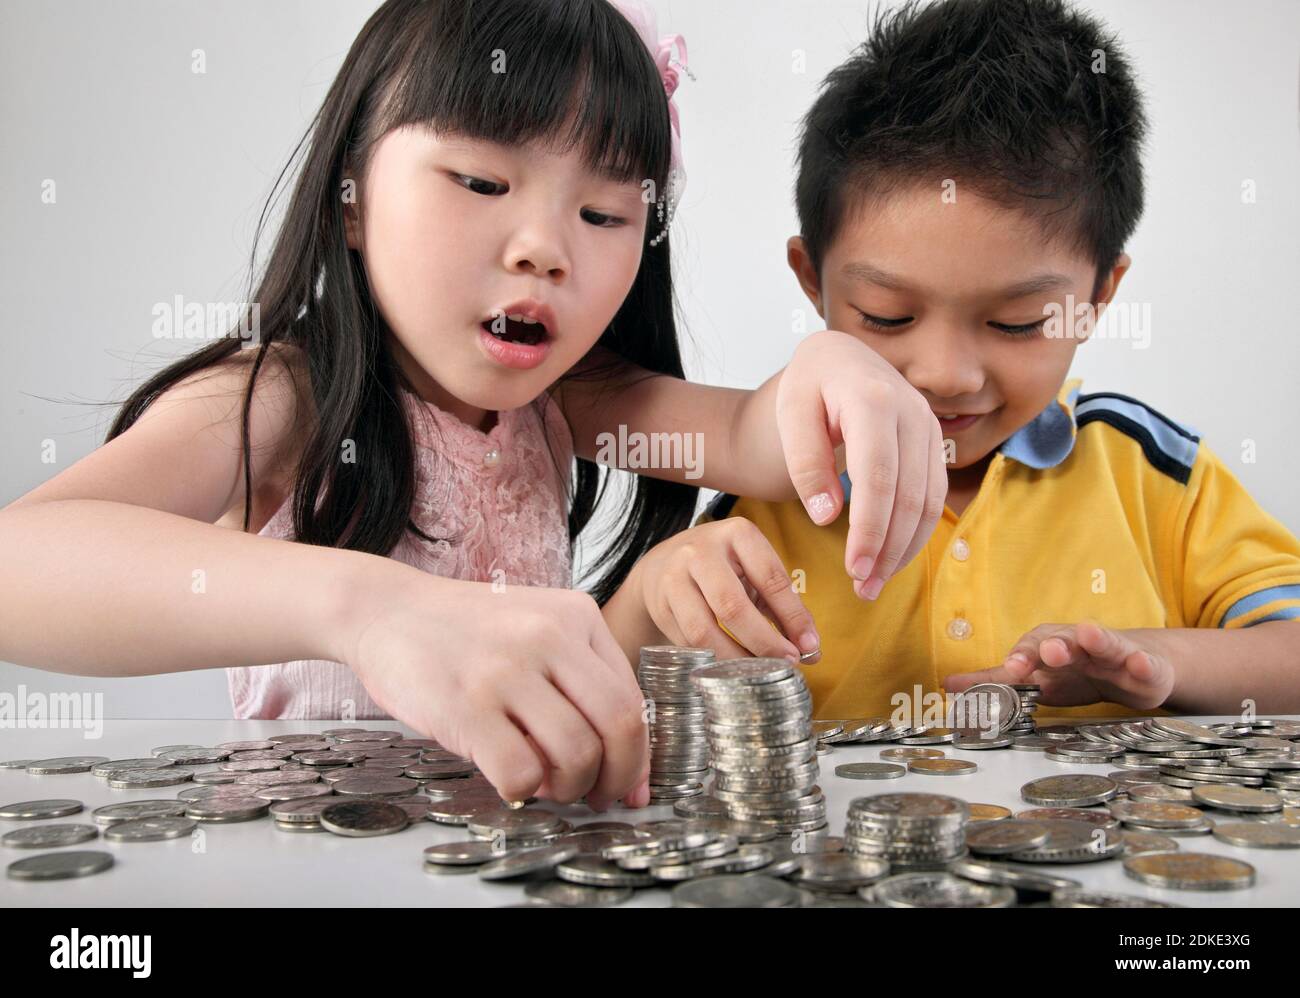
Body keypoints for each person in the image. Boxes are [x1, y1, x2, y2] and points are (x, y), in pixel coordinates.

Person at [0, 0, 944, 809]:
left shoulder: (566, 404)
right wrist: (373, 614)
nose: (545, 247)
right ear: (352, 198)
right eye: (483, 182)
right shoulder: (289, 400)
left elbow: (754, 436)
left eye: (605, 215)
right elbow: (20, 566)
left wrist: (838, 365)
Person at [681, 0, 1300, 723]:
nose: (946, 374)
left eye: (1016, 323)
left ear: (1101, 295)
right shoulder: (772, 492)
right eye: (887, 316)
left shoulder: (1150, 474)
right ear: (812, 279)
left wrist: (1158, 660)